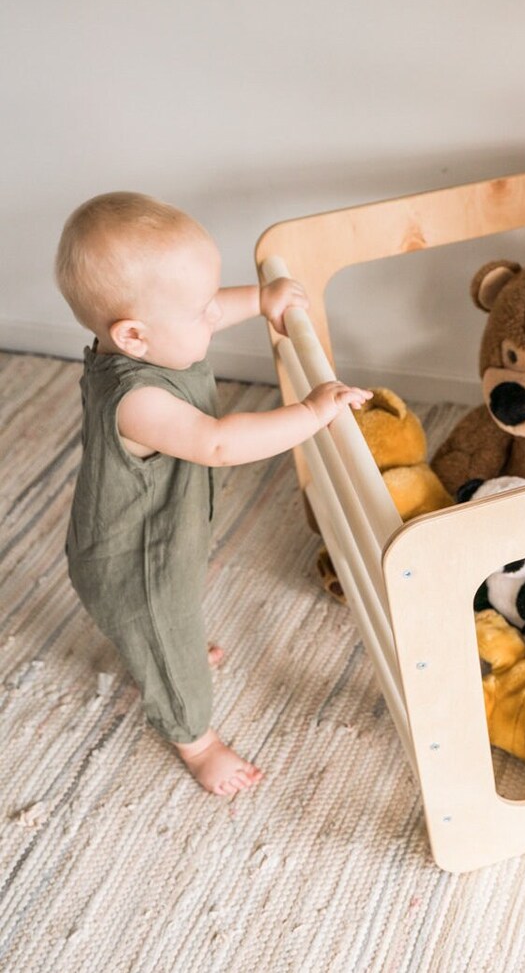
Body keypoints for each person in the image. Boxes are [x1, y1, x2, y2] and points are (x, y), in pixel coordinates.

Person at [55, 191, 370, 796]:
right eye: (200, 311)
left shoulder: (138, 341)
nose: (211, 316)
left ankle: (166, 639)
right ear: (135, 336)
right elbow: (221, 443)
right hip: (132, 562)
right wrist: (309, 412)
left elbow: (212, 311)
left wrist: (261, 300)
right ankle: (196, 740)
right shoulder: (139, 400)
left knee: (172, 615)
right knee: (170, 653)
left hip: (155, 536)